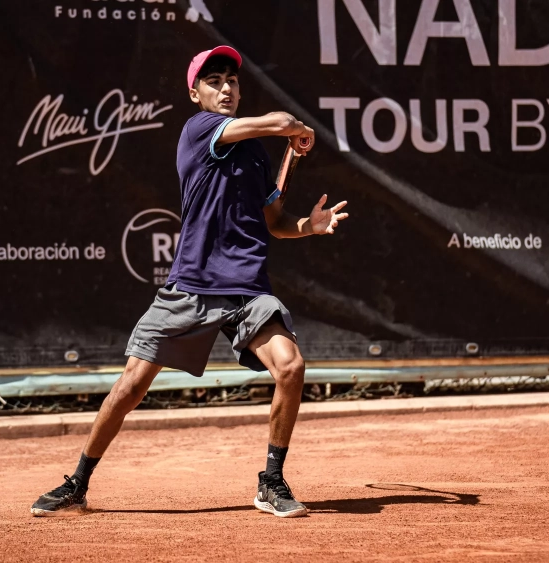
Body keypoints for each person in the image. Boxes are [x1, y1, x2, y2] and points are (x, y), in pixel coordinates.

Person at [31, 45, 349, 518]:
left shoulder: (258, 156)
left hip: (246, 289)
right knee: (130, 388)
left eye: (233, 82)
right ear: (195, 93)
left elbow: (274, 220)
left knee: (291, 367)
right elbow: (281, 121)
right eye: (215, 81)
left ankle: (271, 481)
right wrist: (297, 129)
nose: (226, 89)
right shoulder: (199, 130)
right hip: (192, 285)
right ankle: (78, 482)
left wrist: (308, 226)